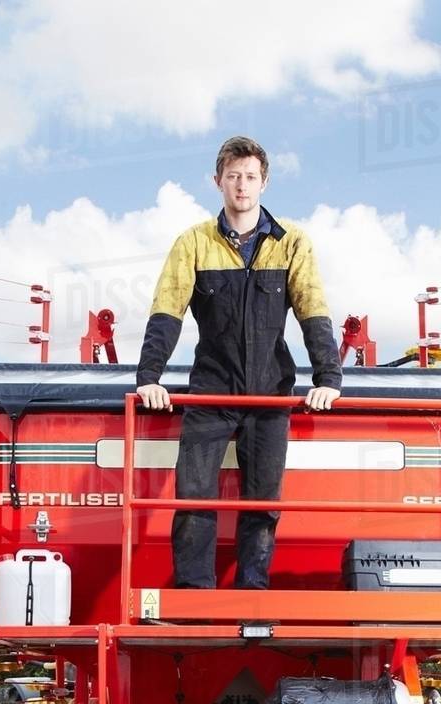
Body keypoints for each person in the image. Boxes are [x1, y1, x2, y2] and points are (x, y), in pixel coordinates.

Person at [136, 135, 341, 590]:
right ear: (218, 182)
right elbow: (166, 310)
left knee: (263, 502)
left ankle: (253, 591)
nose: (241, 186)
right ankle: (193, 593)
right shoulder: (192, 243)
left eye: (250, 177)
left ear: (264, 182)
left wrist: (328, 377)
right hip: (211, 390)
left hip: (270, 393)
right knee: (193, 497)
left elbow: (312, 309)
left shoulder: (292, 244)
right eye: (233, 177)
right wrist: (149, 378)